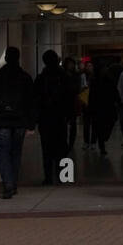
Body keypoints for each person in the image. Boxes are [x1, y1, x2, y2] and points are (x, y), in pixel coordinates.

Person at [0, 46, 35, 199]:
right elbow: (31, 102)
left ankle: (8, 184)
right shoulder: (25, 77)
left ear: (6, 58)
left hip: (2, 120)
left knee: (3, 153)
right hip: (20, 121)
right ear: (18, 58)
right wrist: (31, 123)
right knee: (16, 153)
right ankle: (13, 183)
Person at [33, 50, 74, 185]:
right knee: (62, 148)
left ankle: (48, 177)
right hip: (60, 118)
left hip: (46, 119)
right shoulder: (65, 77)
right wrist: (70, 116)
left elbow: (36, 99)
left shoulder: (41, 78)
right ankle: (64, 176)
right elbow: (70, 98)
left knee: (47, 149)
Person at [89, 60, 119, 157]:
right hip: (99, 107)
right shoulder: (94, 81)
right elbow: (91, 96)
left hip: (108, 107)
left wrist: (118, 101)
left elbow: (115, 91)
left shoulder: (110, 79)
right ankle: (102, 147)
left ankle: (103, 140)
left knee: (108, 124)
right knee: (99, 127)